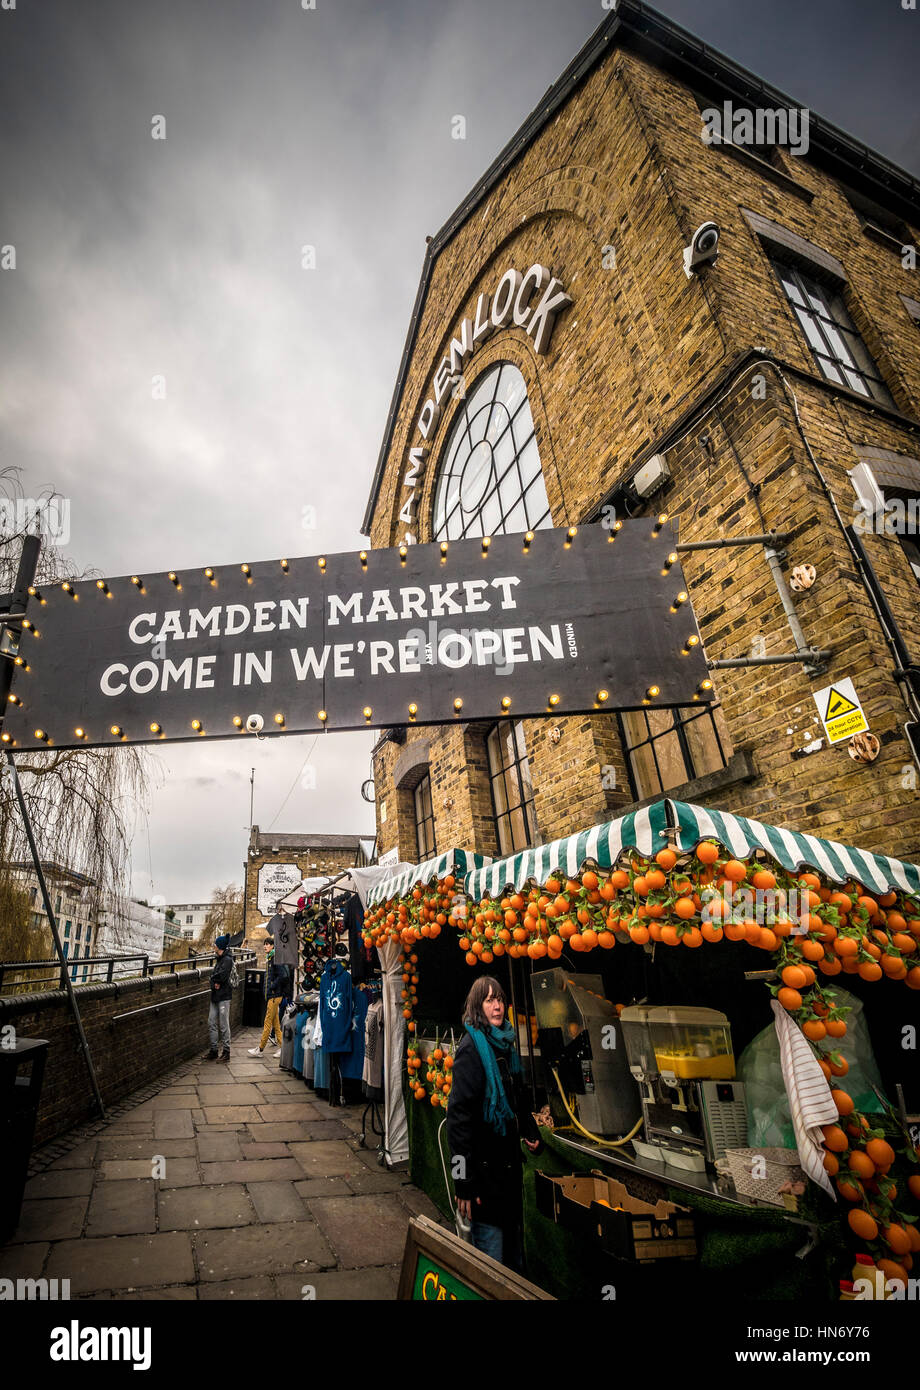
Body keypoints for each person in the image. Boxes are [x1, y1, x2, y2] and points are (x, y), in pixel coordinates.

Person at [446, 975, 542, 1271]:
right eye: (489, 1000)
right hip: (483, 1181)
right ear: (477, 1007)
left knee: (514, 1265)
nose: (497, 1006)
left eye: (499, 999)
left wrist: (528, 1128)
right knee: (492, 1268)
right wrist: (462, 1181)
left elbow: (517, 1096)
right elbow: (457, 1119)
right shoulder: (471, 1050)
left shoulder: (506, 1046)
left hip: (507, 1177)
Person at [248, 945, 290, 1058]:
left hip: (275, 996)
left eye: (267, 944)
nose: (265, 946)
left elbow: (281, 976)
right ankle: (283, 1048)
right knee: (276, 1024)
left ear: (272, 946)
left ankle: (260, 1049)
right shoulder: (271, 958)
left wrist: (272, 986)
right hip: (273, 995)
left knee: (267, 1022)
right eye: (264, 944)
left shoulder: (275, 959)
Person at [206, 934, 233, 1062]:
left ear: (220, 946)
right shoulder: (219, 958)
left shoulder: (227, 960)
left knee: (223, 1024)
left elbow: (221, 976)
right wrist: (214, 981)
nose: (214, 946)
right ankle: (214, 1050)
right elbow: (213, 977)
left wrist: (216, 980)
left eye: (216, 944)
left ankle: (226, 1052)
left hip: (224, 996)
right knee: (211, 1022)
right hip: (215, 996)